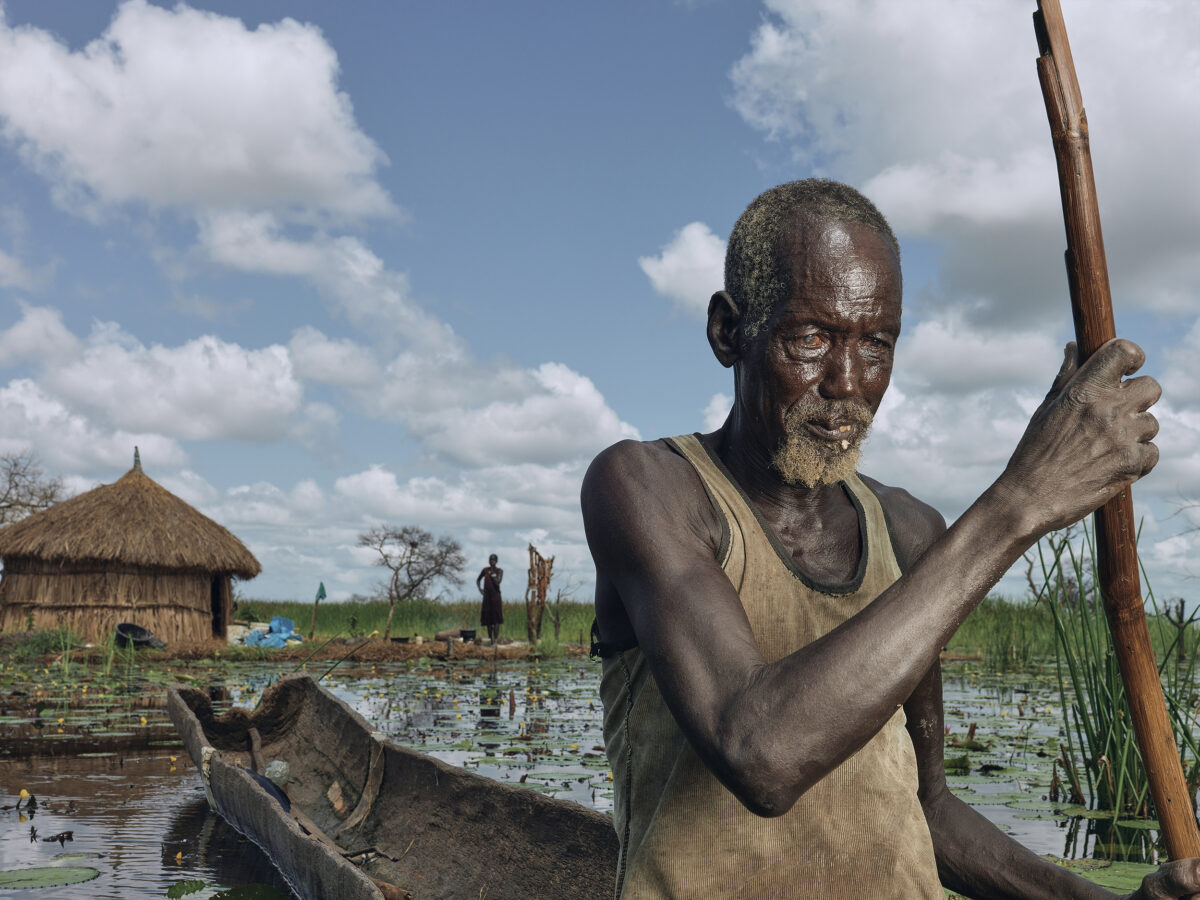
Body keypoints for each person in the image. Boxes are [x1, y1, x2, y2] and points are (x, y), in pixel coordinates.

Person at [583, 179, 1200, 899]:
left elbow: (927, 808)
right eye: (810, 339)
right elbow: (758, 754)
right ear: (730, 333)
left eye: (876, 345)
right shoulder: (648, 486)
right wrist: (1018, 503)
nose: (847, 384)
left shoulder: (909, 530)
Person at [477, 554, 504, 643]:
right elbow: (478, 580)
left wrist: (493, 576)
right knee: (488, 619)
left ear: (496, 561)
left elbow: (498, 582)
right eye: (490, 560)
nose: (492, 561)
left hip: (496, 597)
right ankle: (490, 639)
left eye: (493, 560)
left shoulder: (499, 571)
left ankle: (495, 639)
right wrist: (480, 590)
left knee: (496, 619)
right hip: (487, 597)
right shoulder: (485, 570)